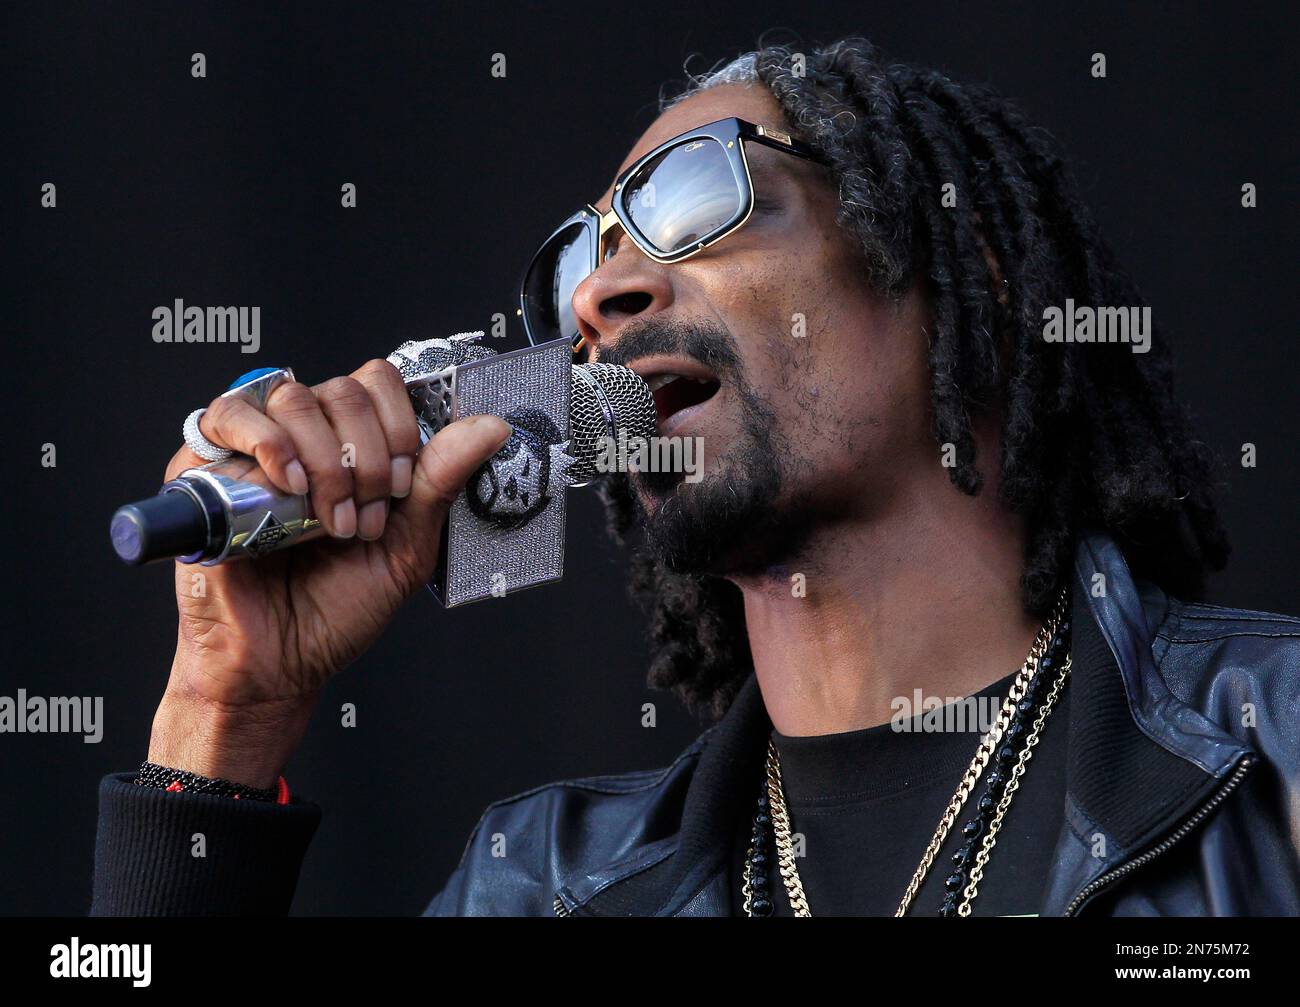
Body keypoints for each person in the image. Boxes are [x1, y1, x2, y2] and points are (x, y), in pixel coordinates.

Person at [90, 37, 1300, 917]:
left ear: (960, 268)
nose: (597, 295)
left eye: (695, 201)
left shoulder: (1270, 747)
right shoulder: (549, 885)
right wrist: (223, 718)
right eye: (586, 249)